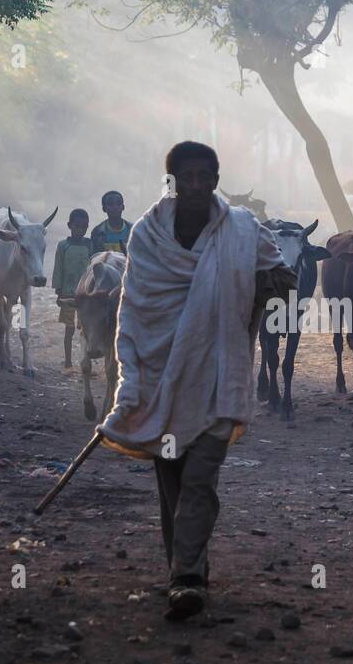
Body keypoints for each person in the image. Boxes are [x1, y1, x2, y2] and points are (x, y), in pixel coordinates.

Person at [98, 141, 297, 621]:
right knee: (172, 480)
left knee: (199, 480)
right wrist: (130, 381)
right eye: (184, 177)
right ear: (170, 181)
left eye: (203, 176)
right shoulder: (146, 236)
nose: (194, 185)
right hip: (161, 381)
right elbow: (136, 310)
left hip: (219, 376)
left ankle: (186, 577)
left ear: (215, 178)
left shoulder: (243, 229)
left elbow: (282, 276)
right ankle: (184, 569)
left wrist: (260, 292)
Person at [52, 208, 95, 372]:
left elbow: (92, 268)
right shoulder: (63, 246)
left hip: (86, 294)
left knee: (86, 330)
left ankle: (86, 362)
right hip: (67, 294)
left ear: (87, 227)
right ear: (69, 225)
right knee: (69, 329)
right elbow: (58, 269)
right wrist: (58, 292)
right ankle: (68, 362)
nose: (80, 230)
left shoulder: (89, 245)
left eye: (84, 227)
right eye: (77, 226)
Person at [90, 190, 133, 254]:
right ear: (104, 209)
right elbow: (95, 258)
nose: (115, 207)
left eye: (118, 203)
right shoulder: (97, 232)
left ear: (123, 207)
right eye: (110, 204)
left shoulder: (133, 230)